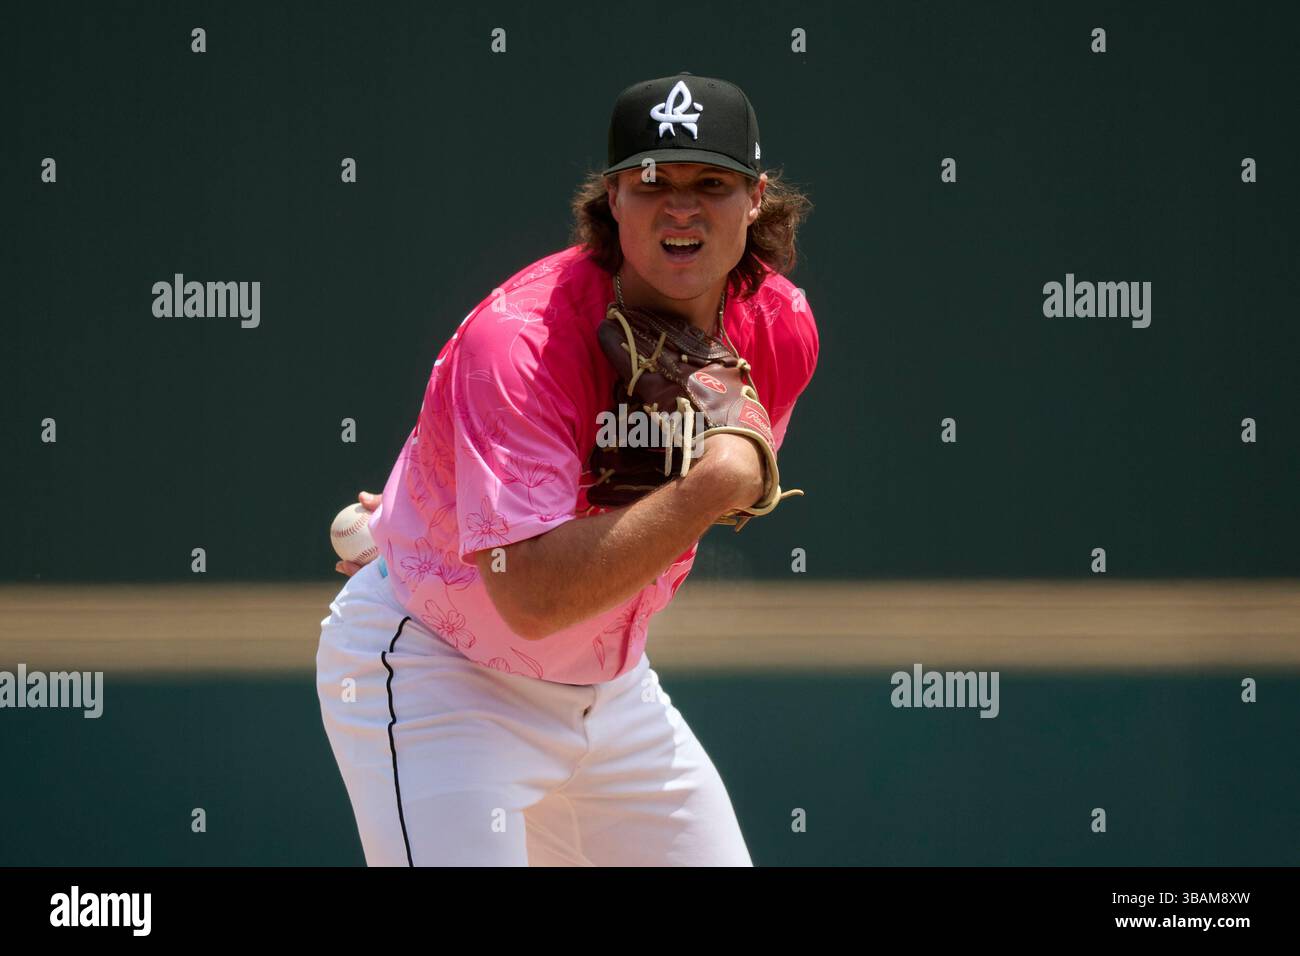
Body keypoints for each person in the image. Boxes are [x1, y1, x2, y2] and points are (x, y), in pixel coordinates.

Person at [316, 72, 819, 866]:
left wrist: (433, 512)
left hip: (613, 694)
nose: (680, 206)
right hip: (443, 681)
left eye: (710, 182)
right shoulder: (522, 339)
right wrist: (713, 486)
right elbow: (536, 597)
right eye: (651, 181)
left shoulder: (780, 325)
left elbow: (643, 491)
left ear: (755, 198)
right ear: (612, 198)